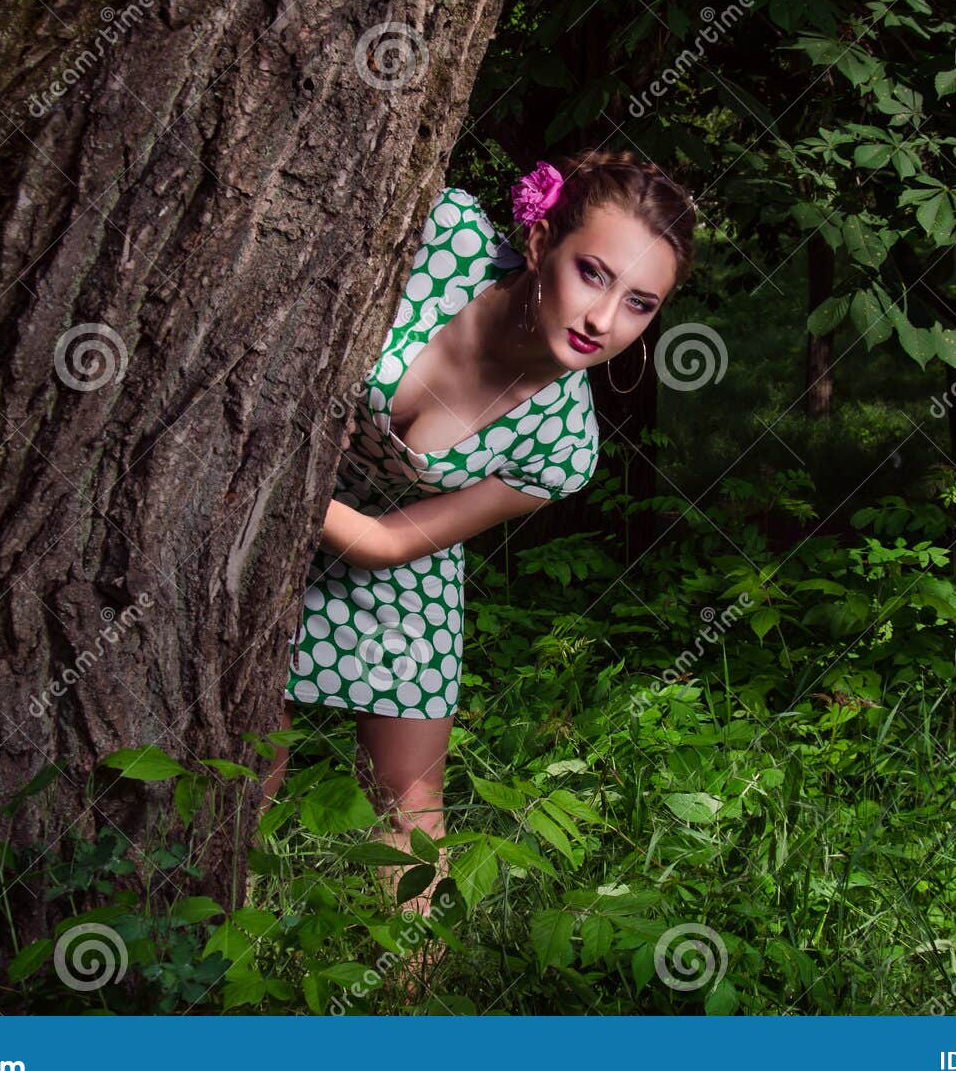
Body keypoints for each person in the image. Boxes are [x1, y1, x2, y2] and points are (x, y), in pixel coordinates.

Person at [264, 149, 698, 928]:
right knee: (246, 749)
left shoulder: (564, 445)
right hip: (267, 528)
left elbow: (386, 544)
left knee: (408, 799)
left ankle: (412, 976)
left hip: (395, 563)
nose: (604, 320)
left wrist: (261, 474)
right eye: (593, 274)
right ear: (540, 241)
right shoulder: (445, 237)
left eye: (639, 303)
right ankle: (215, 942)